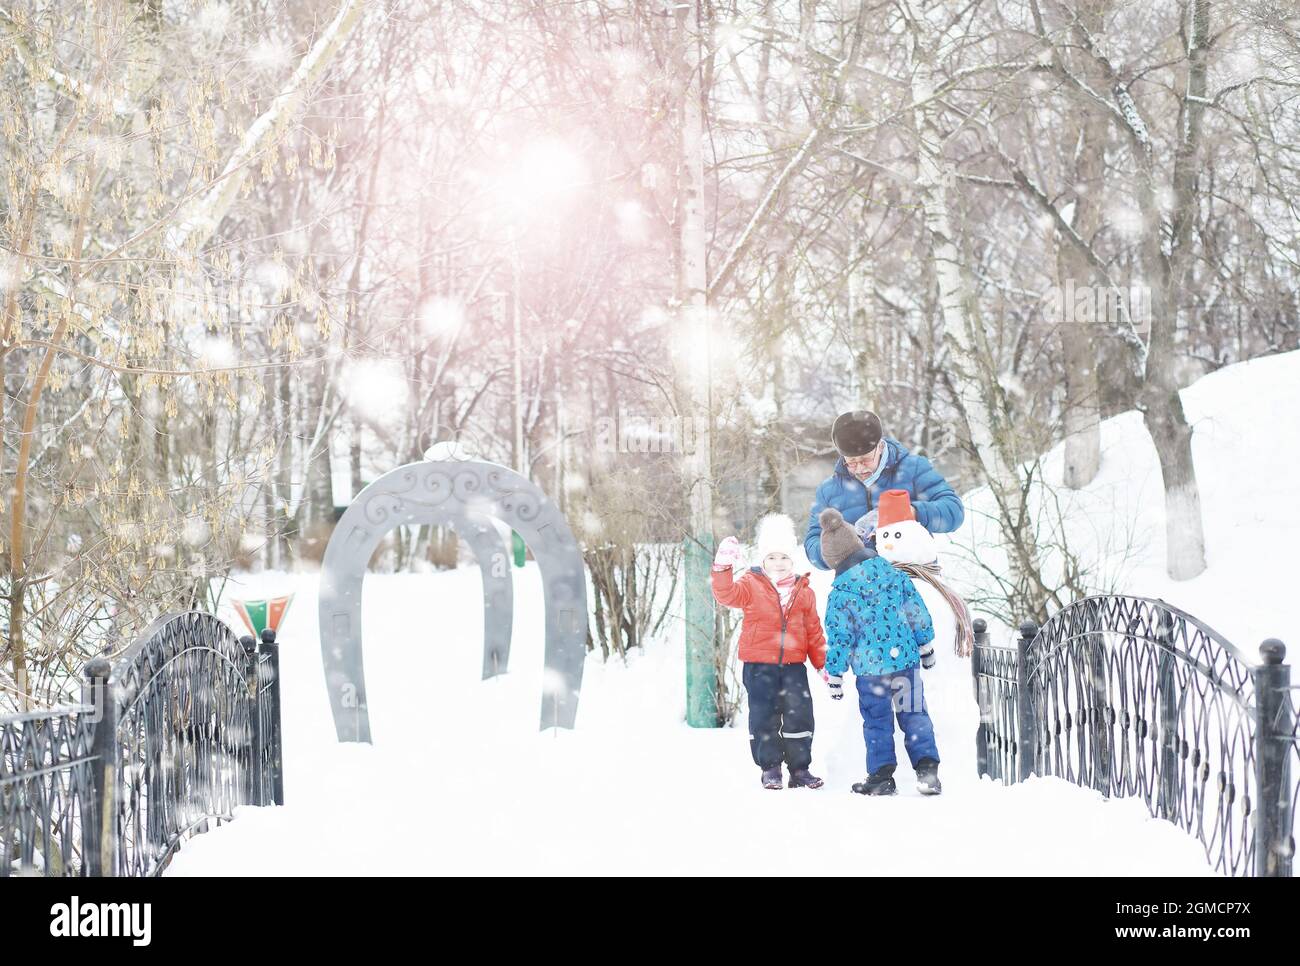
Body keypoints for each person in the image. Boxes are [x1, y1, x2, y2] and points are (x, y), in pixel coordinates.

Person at [817, 506, 942, 797]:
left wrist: (835, 673)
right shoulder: (892, 574)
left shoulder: (840, 593)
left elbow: (839, 638)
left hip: (870, 670)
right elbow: (915, 610)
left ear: (834, 561)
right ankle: (928, 773)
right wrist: (925, 644)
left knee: (876, 721)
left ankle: (882, 776)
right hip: (906, 661)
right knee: (914, 713)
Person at [711, 514, 827, 790]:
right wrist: (722, 568)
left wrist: (822, 664)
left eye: (784, 558)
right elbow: (726, 595)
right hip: (759, 665)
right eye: (772, 557)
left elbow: (813, 630)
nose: (778, 563)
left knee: (800, 715)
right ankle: (770, 768)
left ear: (793, 559)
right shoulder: (751, 584)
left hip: (794, 666)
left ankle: (800, 769)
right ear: (763, 559)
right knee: (764, 716)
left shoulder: (804, 591)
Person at [804, 410, 964, 569]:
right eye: (851, 462)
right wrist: (835, 547)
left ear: (880, 446)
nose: (860, 468)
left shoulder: (913, 469)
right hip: (859, 584)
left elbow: (954, 511)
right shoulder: (829, 490)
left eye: (866, 459)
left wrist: (912, 512)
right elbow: (812, 543)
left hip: (912, 577)